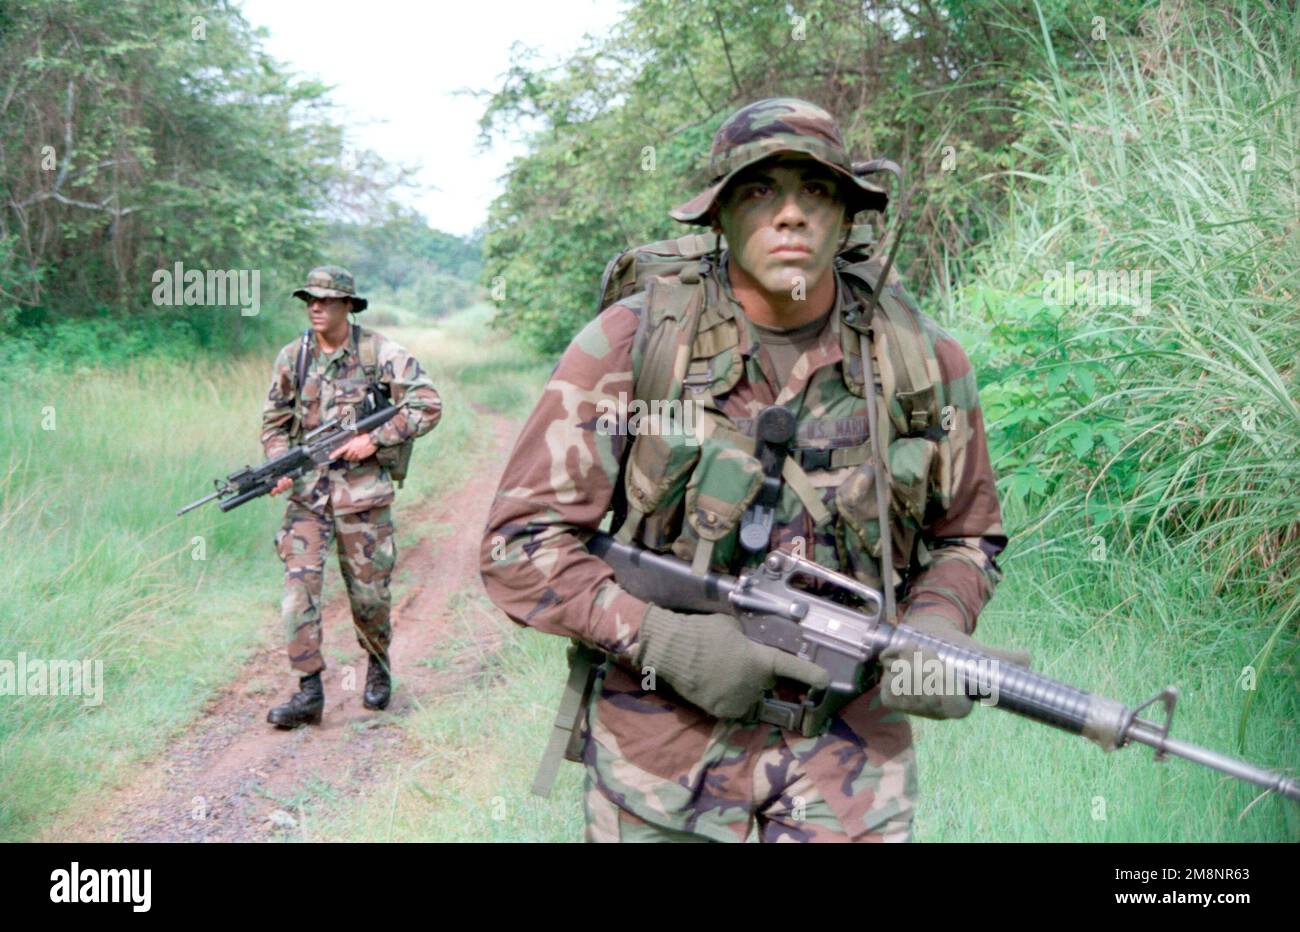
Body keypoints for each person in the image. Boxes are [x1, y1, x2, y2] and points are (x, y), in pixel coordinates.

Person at [480, 98, 1025, 841]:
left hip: (849, 772)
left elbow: (969, 537)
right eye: (759, 191)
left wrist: (935, 625)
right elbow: (519, 545)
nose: (792, 216)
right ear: (719, 216)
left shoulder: (921, 360)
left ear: (849, 217)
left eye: (819, 192)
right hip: (663, 763)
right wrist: (663, 640)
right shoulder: (631, 343)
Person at [260, 265, 441, 728]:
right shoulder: (293, 357)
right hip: (306, 501)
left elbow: (427, 404)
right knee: (297, 597)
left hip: (362, 499)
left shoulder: (379, 352)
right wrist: (279, 466)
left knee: (370, 598)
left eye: (324, 300)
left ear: (347, 306)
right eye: (309, 300)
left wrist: (376, 440)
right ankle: (309, 692)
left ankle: (378, 669)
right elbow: (275, 424)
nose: (315, 307)